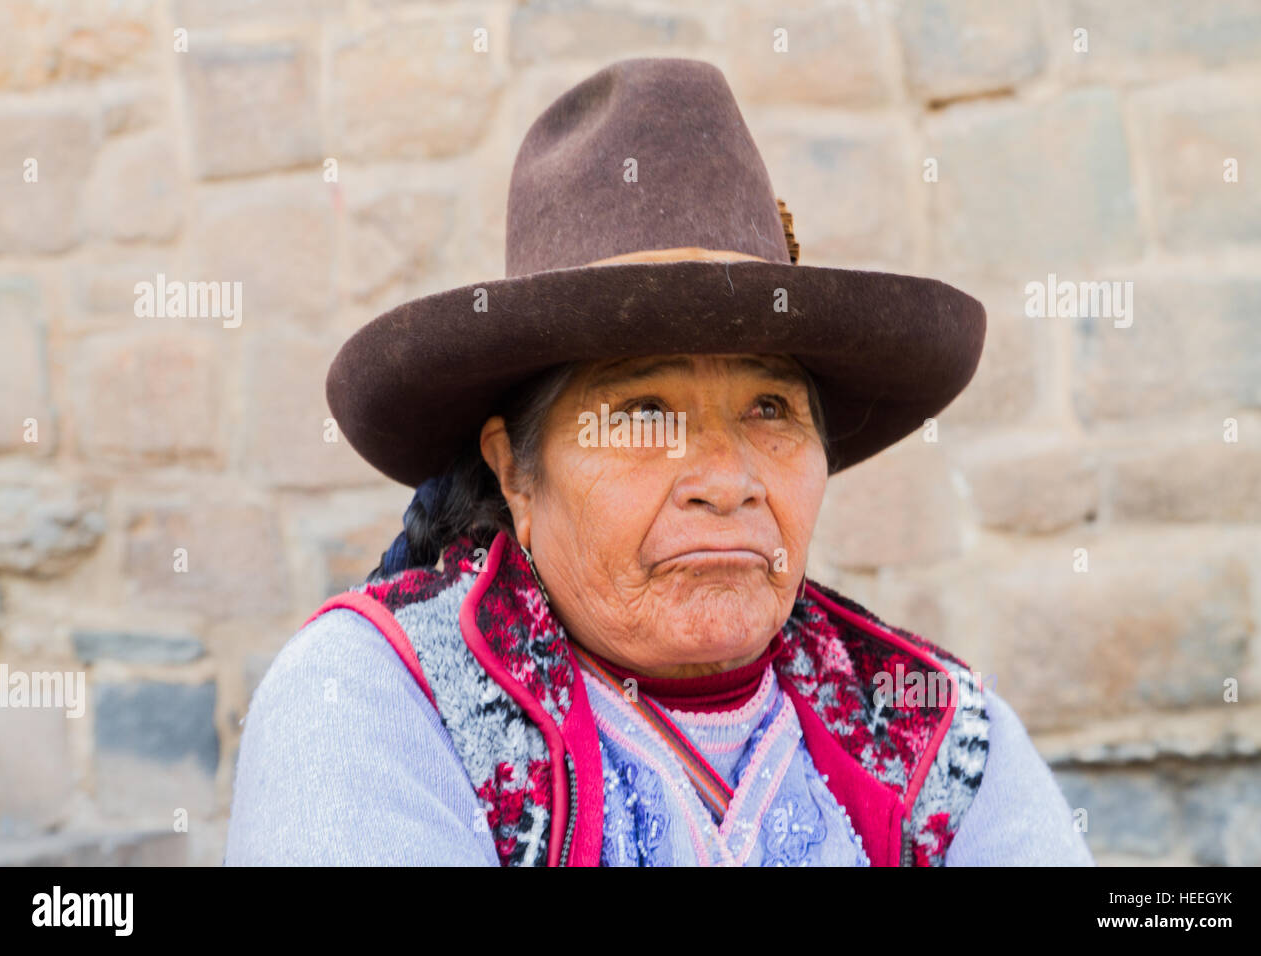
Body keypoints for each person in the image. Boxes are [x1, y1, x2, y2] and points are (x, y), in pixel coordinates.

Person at [226, 57, 1093, 867]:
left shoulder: (935, 728)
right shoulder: (373, 697)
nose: (727, 480)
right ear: (514, 471)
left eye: (770, 409)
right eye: (644, 415)